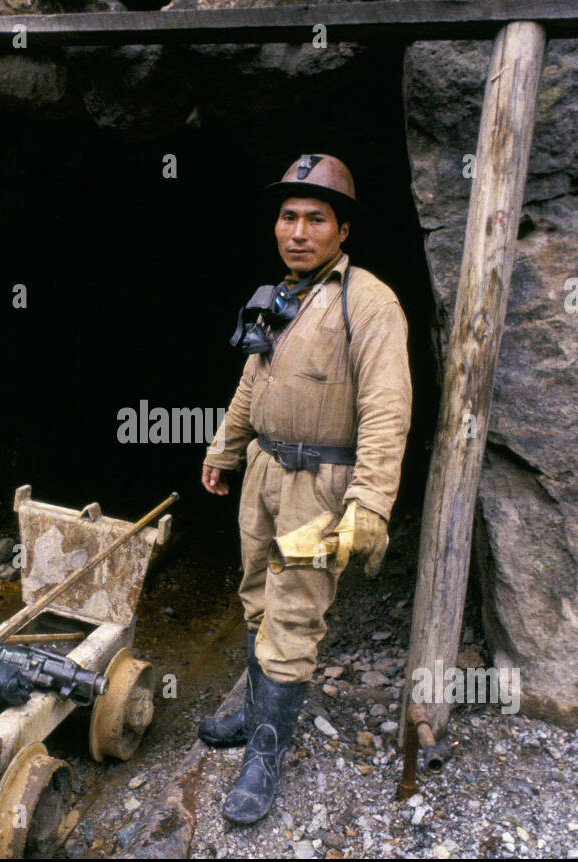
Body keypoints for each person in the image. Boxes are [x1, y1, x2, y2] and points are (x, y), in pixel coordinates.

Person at [199, 154, 412, 825]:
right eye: (288, 216)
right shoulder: (280, 294)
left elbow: (387, 405)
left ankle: (265, 754)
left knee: (295, 613)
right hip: (264, 470)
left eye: (315, 218)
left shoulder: (369, 302)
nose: (297, 230)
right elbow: (252, 381)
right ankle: (257, 713)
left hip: (321, 484)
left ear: (342, 230)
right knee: (258, 594)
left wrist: (371, 501)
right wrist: (226, 446)